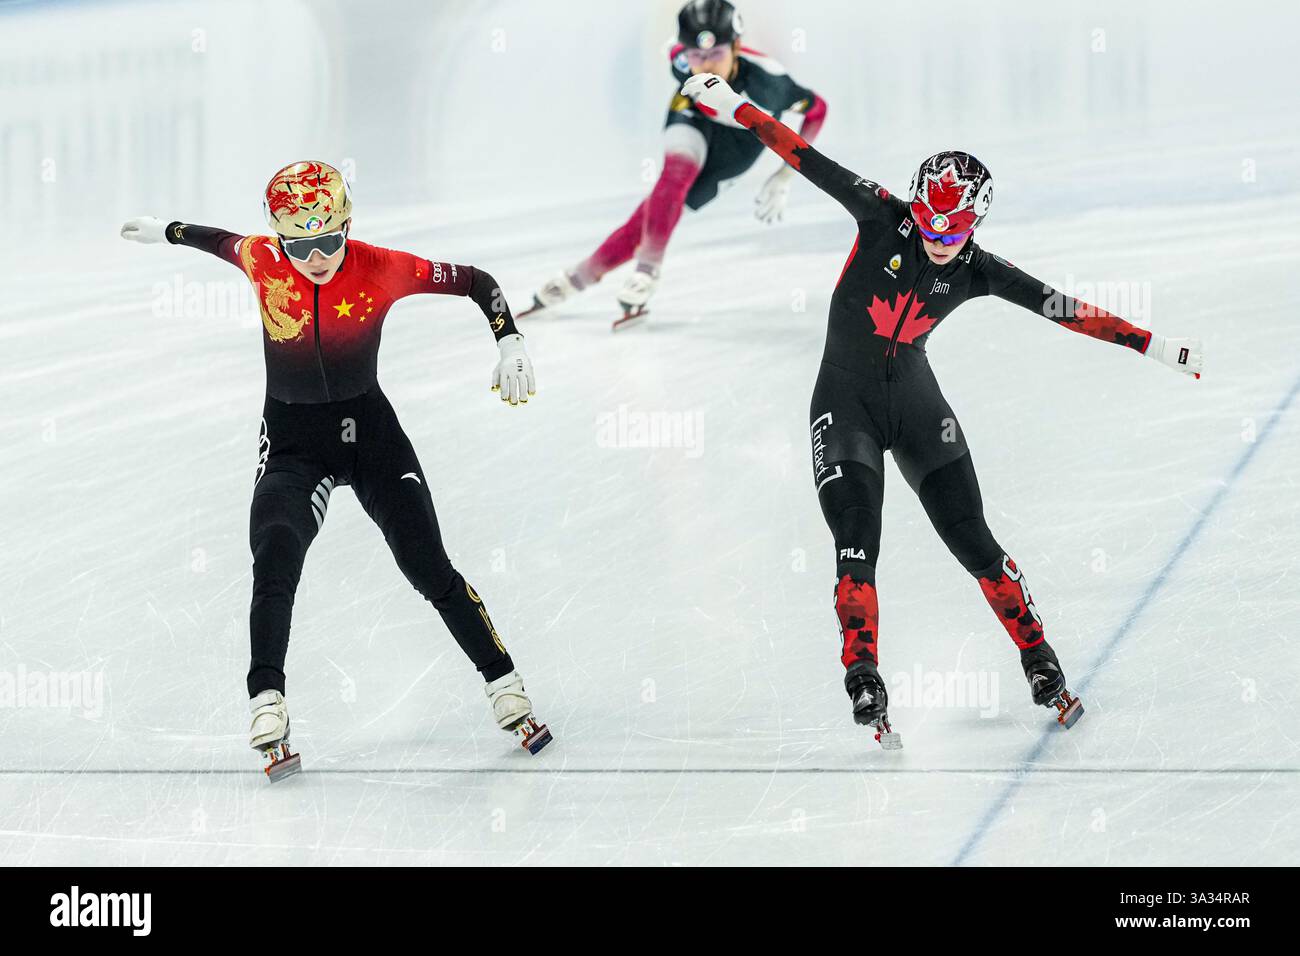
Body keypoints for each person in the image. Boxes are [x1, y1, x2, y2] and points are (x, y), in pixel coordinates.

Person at [681, 73, 1205, 742]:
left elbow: (1066, 311)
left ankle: (1039, 659)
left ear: (976, 220)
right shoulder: (879, 212)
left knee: (976, 544)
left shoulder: (982, 269)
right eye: (926, 219)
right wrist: (731, 103)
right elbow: (798, 153)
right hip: (844, 406)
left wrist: (1155, 346)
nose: (933, 235)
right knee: (855, 546)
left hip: (918, 408)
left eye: (951, 227)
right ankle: (863, 673)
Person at [120, 160, 551, 776]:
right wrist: (168, 229)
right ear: (278, 236)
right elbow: (215, 240)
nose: (316, 257)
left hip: (371, 440)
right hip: (295, 445)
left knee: (426, 564)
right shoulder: (262, 258)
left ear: (348, 225)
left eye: (329, 240)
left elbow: (478, 281)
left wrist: (511, 340)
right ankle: (266, 698)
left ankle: (503, 681)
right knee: (274, 554)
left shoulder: (383, 266)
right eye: (301, 245)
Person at [524, 0, 827, 328]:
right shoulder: (680, 58)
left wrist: (786, 174)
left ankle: (577, 278)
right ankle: (645, 273)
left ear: (737, 47)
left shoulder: (771, 83)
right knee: (671, 180)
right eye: (697, 55)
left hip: (739, 145)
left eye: (716, 54)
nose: (706, 65)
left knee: (651, 216)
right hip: (694, 114)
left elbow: (818, 110)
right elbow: (687, 55)